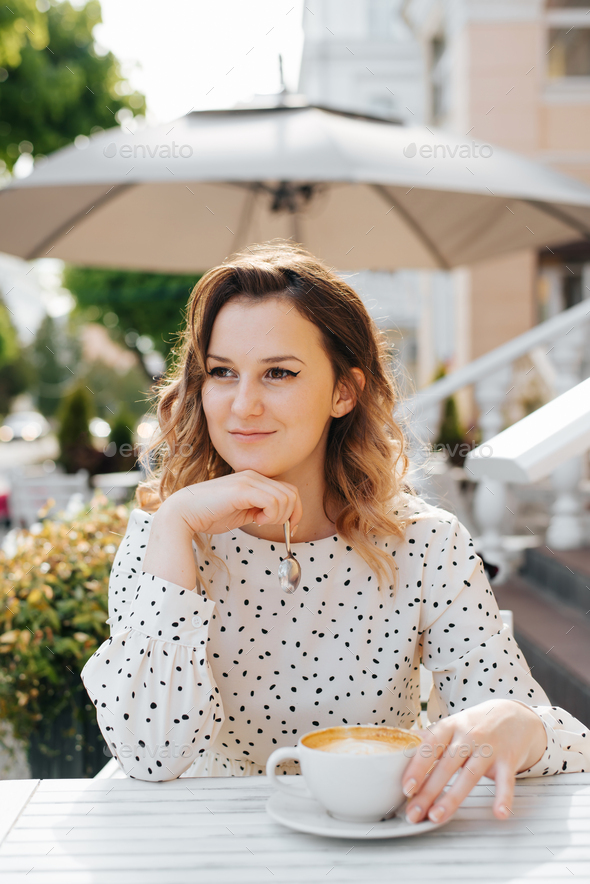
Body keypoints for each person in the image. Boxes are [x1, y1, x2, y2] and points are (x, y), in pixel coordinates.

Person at [81, 239, 589, 827]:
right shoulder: (163, 537)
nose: (243, 404)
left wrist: (517, 725)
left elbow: (560, 749)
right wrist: (175, 525)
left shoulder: (428, 545)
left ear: (343, 391)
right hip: (208, 850)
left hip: (372, 849)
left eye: (279, 373)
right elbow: (149, 756)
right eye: (222, 372)